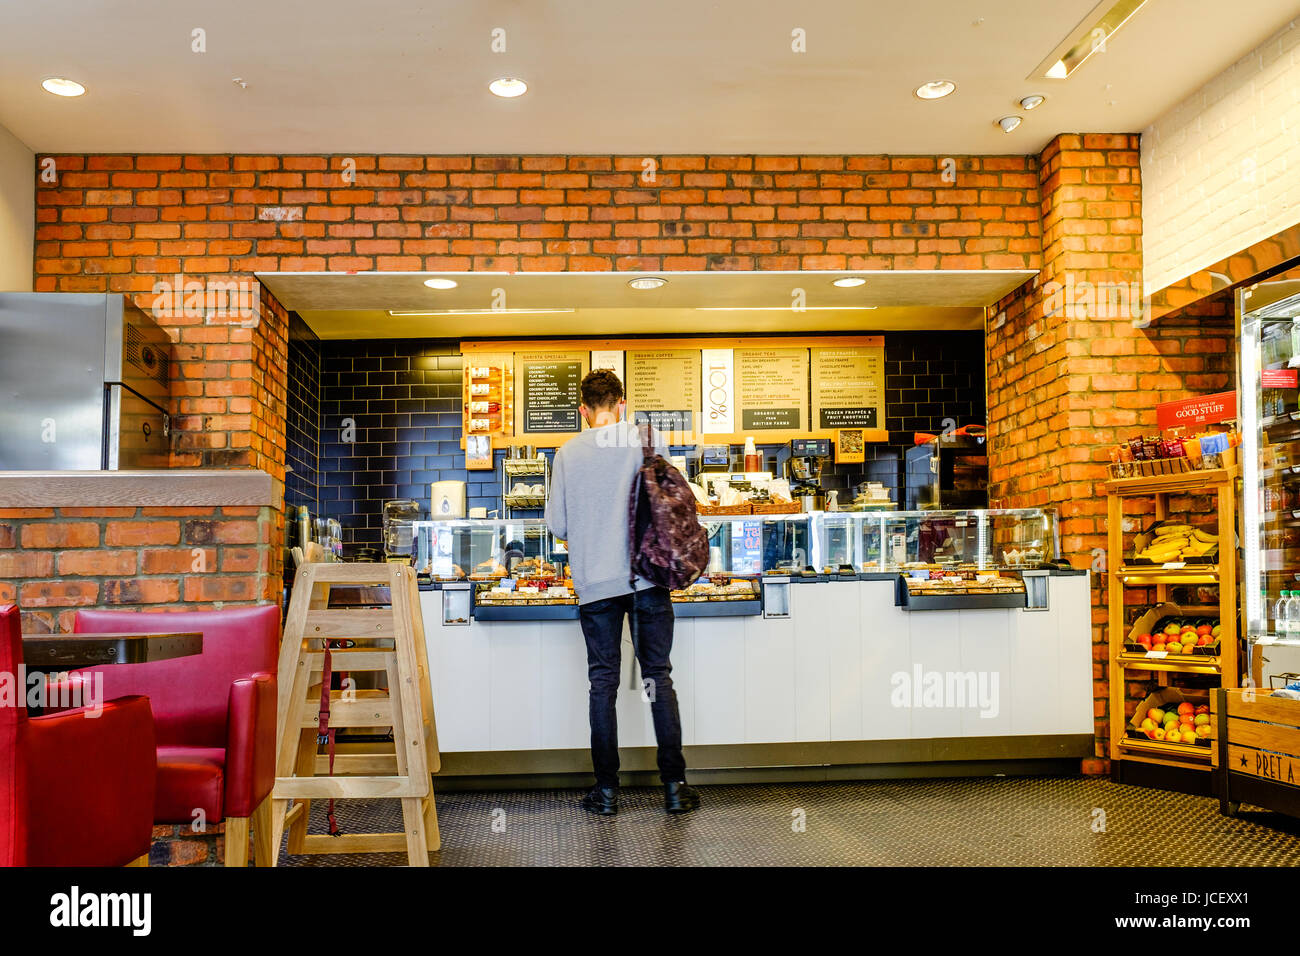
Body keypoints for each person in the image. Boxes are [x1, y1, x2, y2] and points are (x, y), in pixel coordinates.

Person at [545, 369, 700, 816]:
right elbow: (674, 503)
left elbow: (557, 525)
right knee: (659, 678)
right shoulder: (649, 439)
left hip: (595, 584)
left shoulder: (568, 452)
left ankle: (607, 792)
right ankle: (674, 787)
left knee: (602, 684)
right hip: (648, 578)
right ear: (623, 404)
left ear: (583, 410)